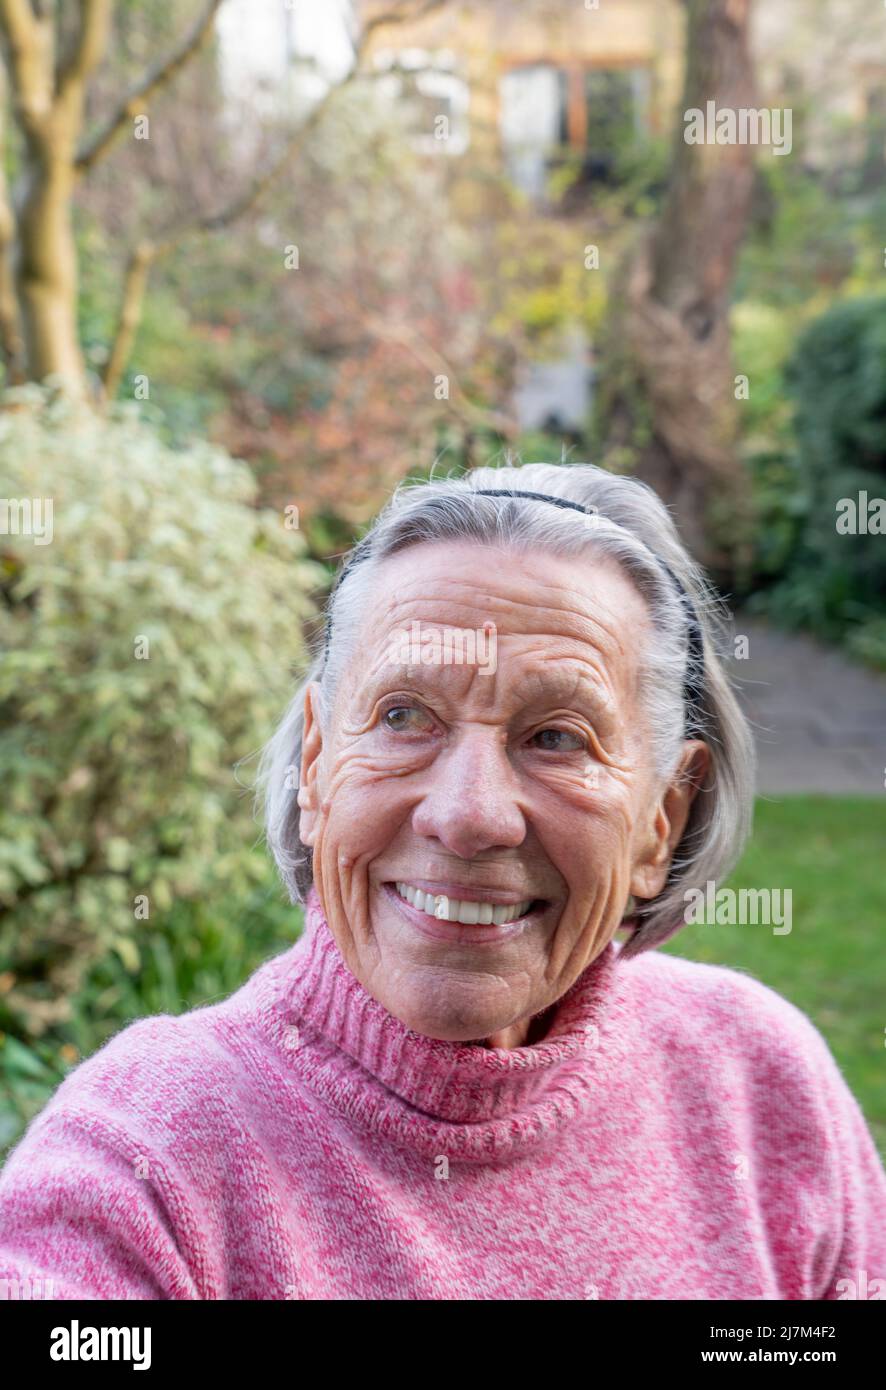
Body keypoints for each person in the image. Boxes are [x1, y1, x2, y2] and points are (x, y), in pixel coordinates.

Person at [1, 462, 884, 1300]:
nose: (468, 815)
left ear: (663, 817)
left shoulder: (758, 1077)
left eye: (558, 737)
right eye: (403, 716)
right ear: (315, 765)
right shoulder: (144, 1155)